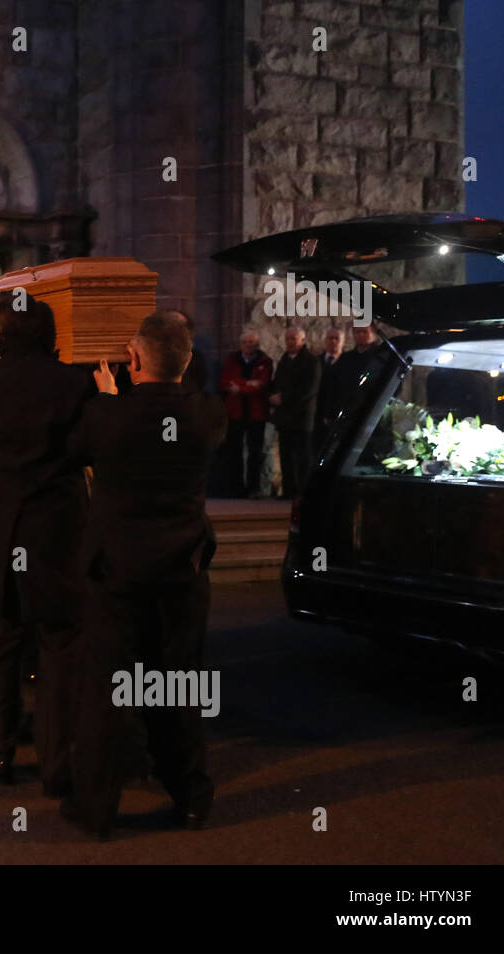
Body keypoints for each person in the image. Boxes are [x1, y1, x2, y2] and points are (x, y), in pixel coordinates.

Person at [65, 310, 228, 838]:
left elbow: (80, 449)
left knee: (108, 691)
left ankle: (97, 808)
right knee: (179, 684)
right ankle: (191, 799)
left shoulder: (105, 414)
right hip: (182, 568)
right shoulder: (209, 415)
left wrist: (112, 397)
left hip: (116, 570)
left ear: (133, 360)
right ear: (185, 362)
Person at [0, 292, 92, 794]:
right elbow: (84, 449)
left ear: (2, 335)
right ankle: (56, 763)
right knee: (59, 643)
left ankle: (1, 751)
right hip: (55, 527)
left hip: (2, 524)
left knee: (3, 641)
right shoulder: (73, 383)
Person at [218, 330, 272, 497]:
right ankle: (236, 489)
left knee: (255, 452)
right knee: (234, 451)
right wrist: (249, 384)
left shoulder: (265, 361)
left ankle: (253, 488)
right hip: (235, 413)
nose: (250, 345)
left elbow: (262, 384)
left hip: (256, 413)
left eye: (253, 342)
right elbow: (225, 382)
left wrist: (239, 387)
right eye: (247, 342)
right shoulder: (231, 360)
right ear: (241, 345)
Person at [269, 326, 320, 499]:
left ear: (302, 340)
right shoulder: (284, 360)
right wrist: (273, 396)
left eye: (294, 338)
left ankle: (304, 492)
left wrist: (283, 399)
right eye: (288, 339)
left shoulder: (311, 361)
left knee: (303, 457)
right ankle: (288, 490)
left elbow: (309, 390)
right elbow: (278, 382)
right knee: (286, 456)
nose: (290, 342)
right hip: (285, 417)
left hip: (301, 416)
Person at [314, 326, 346, 436]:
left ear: (343, 342)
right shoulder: (315, 362)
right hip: (315, 416)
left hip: (336, 416)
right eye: (330, 338)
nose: (333, 341)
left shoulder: (348, 362)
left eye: (336, 338)